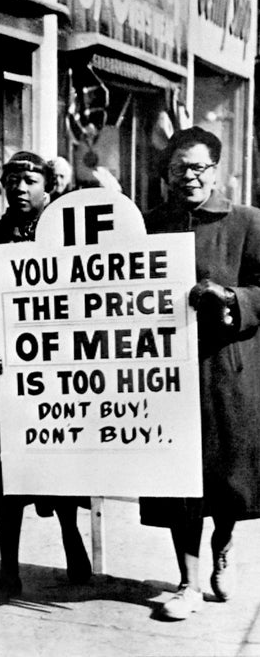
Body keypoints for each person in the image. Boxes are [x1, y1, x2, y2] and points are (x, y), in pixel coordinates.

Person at [140, 127, 260, 620]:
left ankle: (224, 546)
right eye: (178, 168)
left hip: (226, 366)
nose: (188, 177)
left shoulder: (247, 222)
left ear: (215, 170)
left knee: (228, 479)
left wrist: (232, 298)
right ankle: (187, 582)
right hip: (166, 370)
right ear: (165, 174)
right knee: (177, 478)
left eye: (198, 168)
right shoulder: (148, 224)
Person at [0, 151, 92, 607]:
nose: (20, 187)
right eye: (13, 179)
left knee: (59, 467)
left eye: (31, 179)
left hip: (57, 370)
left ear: (50, 187)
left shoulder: (68, 235)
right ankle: (8, 573)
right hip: (3, 373)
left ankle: (70, 536)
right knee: (8, 480)